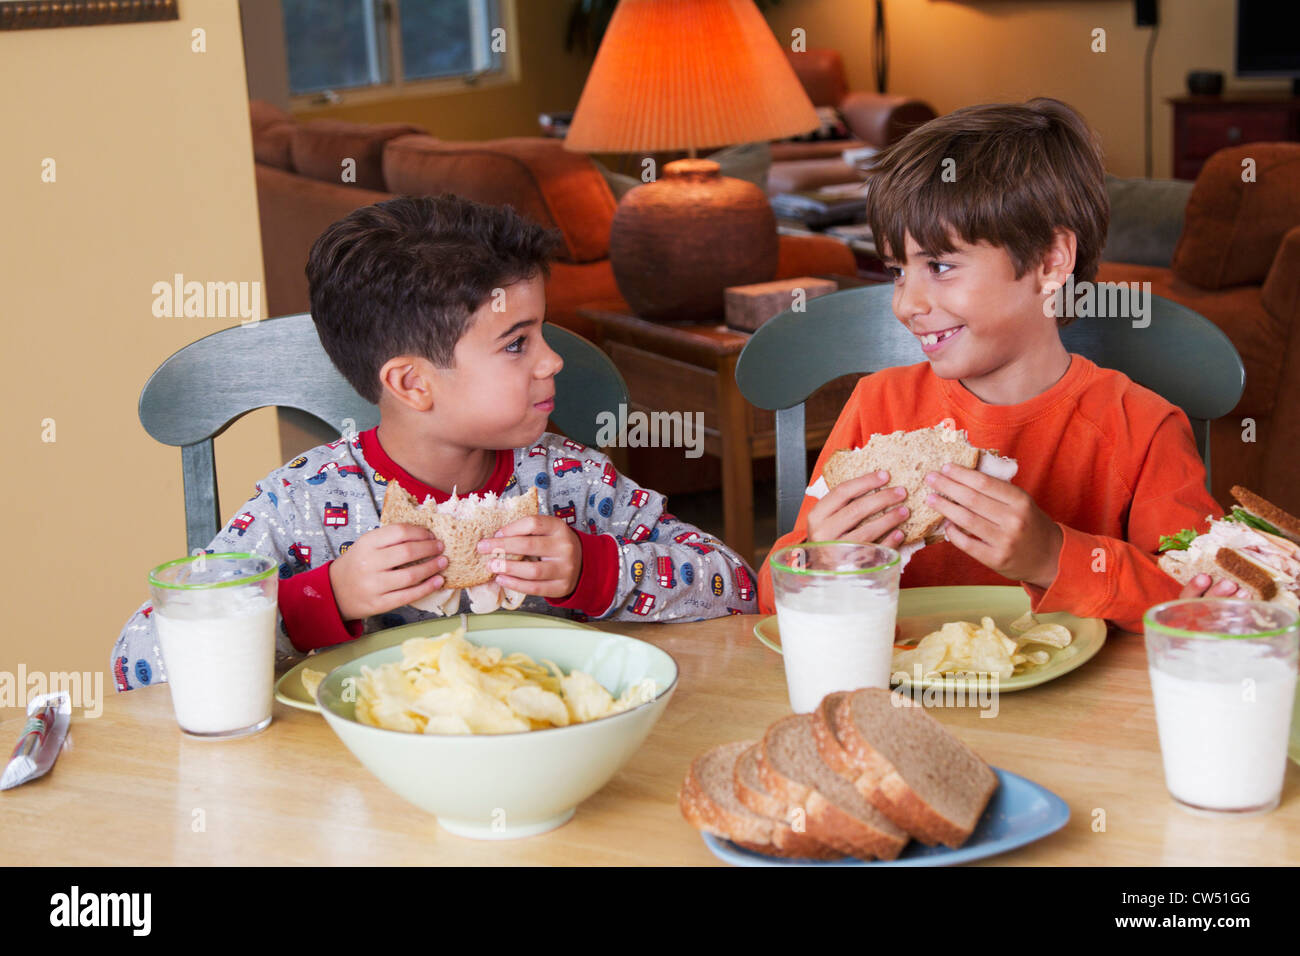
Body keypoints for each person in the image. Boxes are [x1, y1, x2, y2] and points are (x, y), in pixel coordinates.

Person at [113, 195, 755, 692]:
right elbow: (138, 660)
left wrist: (596, 568)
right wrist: (323, 598)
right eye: (516, 343)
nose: (552, 362)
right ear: (412, 383)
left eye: (542, 333)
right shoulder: (304, 505)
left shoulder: (573, 483)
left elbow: (738, 587)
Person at [756, 98, 1243, 632]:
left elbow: (1200, 610)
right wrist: (819, 563)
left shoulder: (1143, 429)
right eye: (897, 270)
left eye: (940, 266)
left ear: (1051, 261)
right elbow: (769, 603)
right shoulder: (879, 405)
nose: (906, 304)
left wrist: (1053, 556)